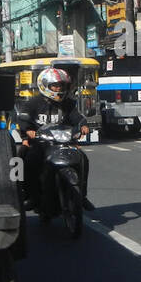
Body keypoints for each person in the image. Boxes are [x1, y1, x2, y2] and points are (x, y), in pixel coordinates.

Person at [16, 67, 89, 207]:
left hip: (62, 143)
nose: (58, 89)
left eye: (61, 86)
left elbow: (77, 118)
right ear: (45, 85)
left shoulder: (68, 103)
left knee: (83, 158)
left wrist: (83, 126)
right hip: (40, 143)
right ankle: (28, 195)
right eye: (55, 86)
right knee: (23, 158)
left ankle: (82, 196)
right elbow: (22, 118)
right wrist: (28, 131)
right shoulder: (33, 103)